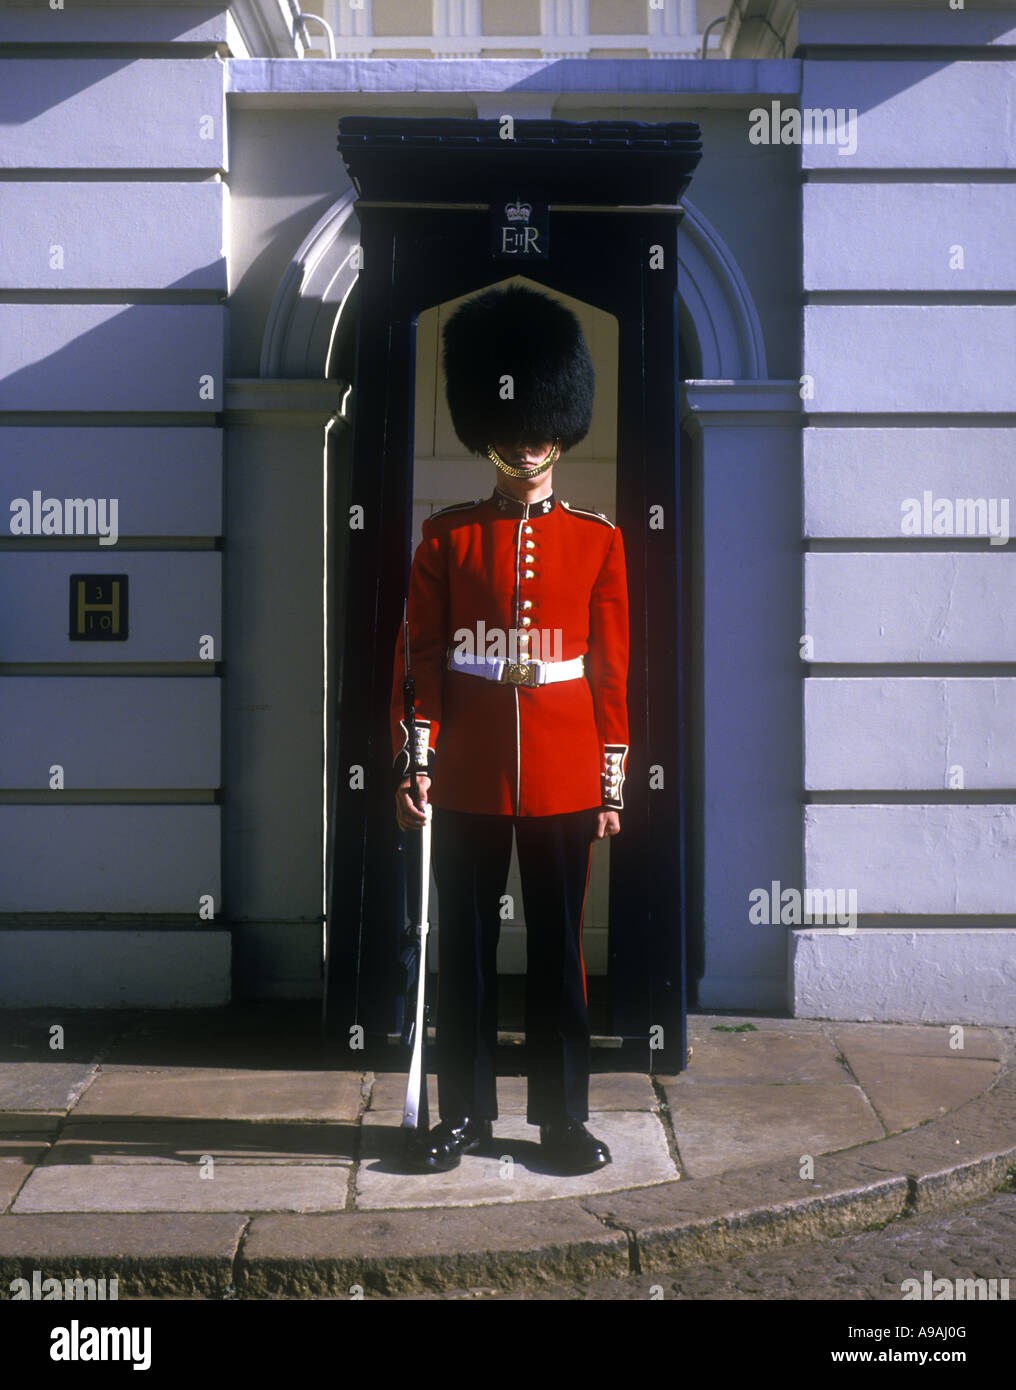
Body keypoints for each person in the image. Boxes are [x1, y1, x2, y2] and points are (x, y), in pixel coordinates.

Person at [391, 284, 629, 1176]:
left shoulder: (597, 541)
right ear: (486, 433)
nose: (528, 443)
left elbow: (610, 667)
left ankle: (563, 1119)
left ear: (559, 431)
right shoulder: (447, 540)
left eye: (542, 427)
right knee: (468, 952)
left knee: (559, 952)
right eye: (515, 426)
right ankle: (467, 1117)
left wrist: (610, 778)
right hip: (469, 775)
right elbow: (421, 662)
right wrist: (418, 760)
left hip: (567, 775)